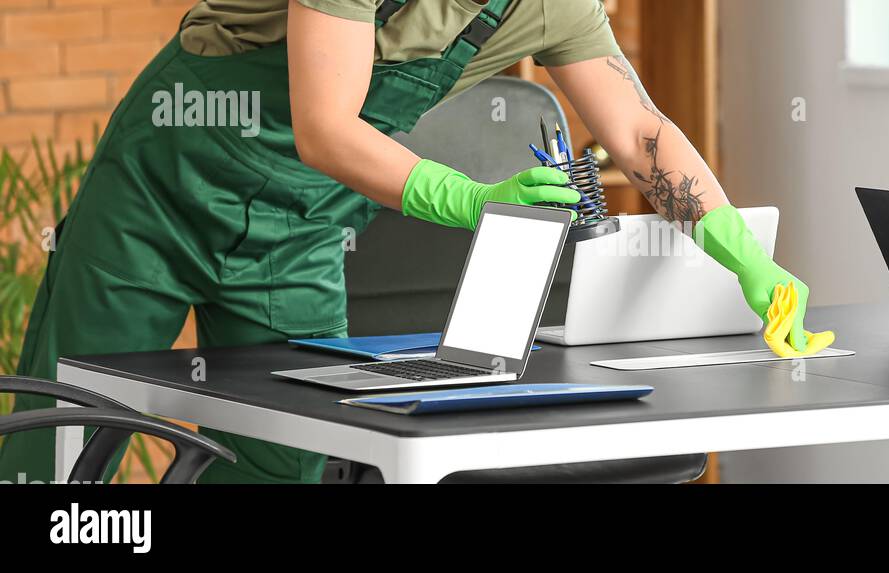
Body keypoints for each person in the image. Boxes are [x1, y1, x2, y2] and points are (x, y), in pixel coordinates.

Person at [0, 0, 818, 484]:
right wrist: (470, 198)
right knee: (57, 438)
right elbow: (323, 126)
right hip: (161, 185)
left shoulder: (548, 5)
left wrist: (748, 258)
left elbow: (640, 132)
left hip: (302, 231)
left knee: (288, 463)